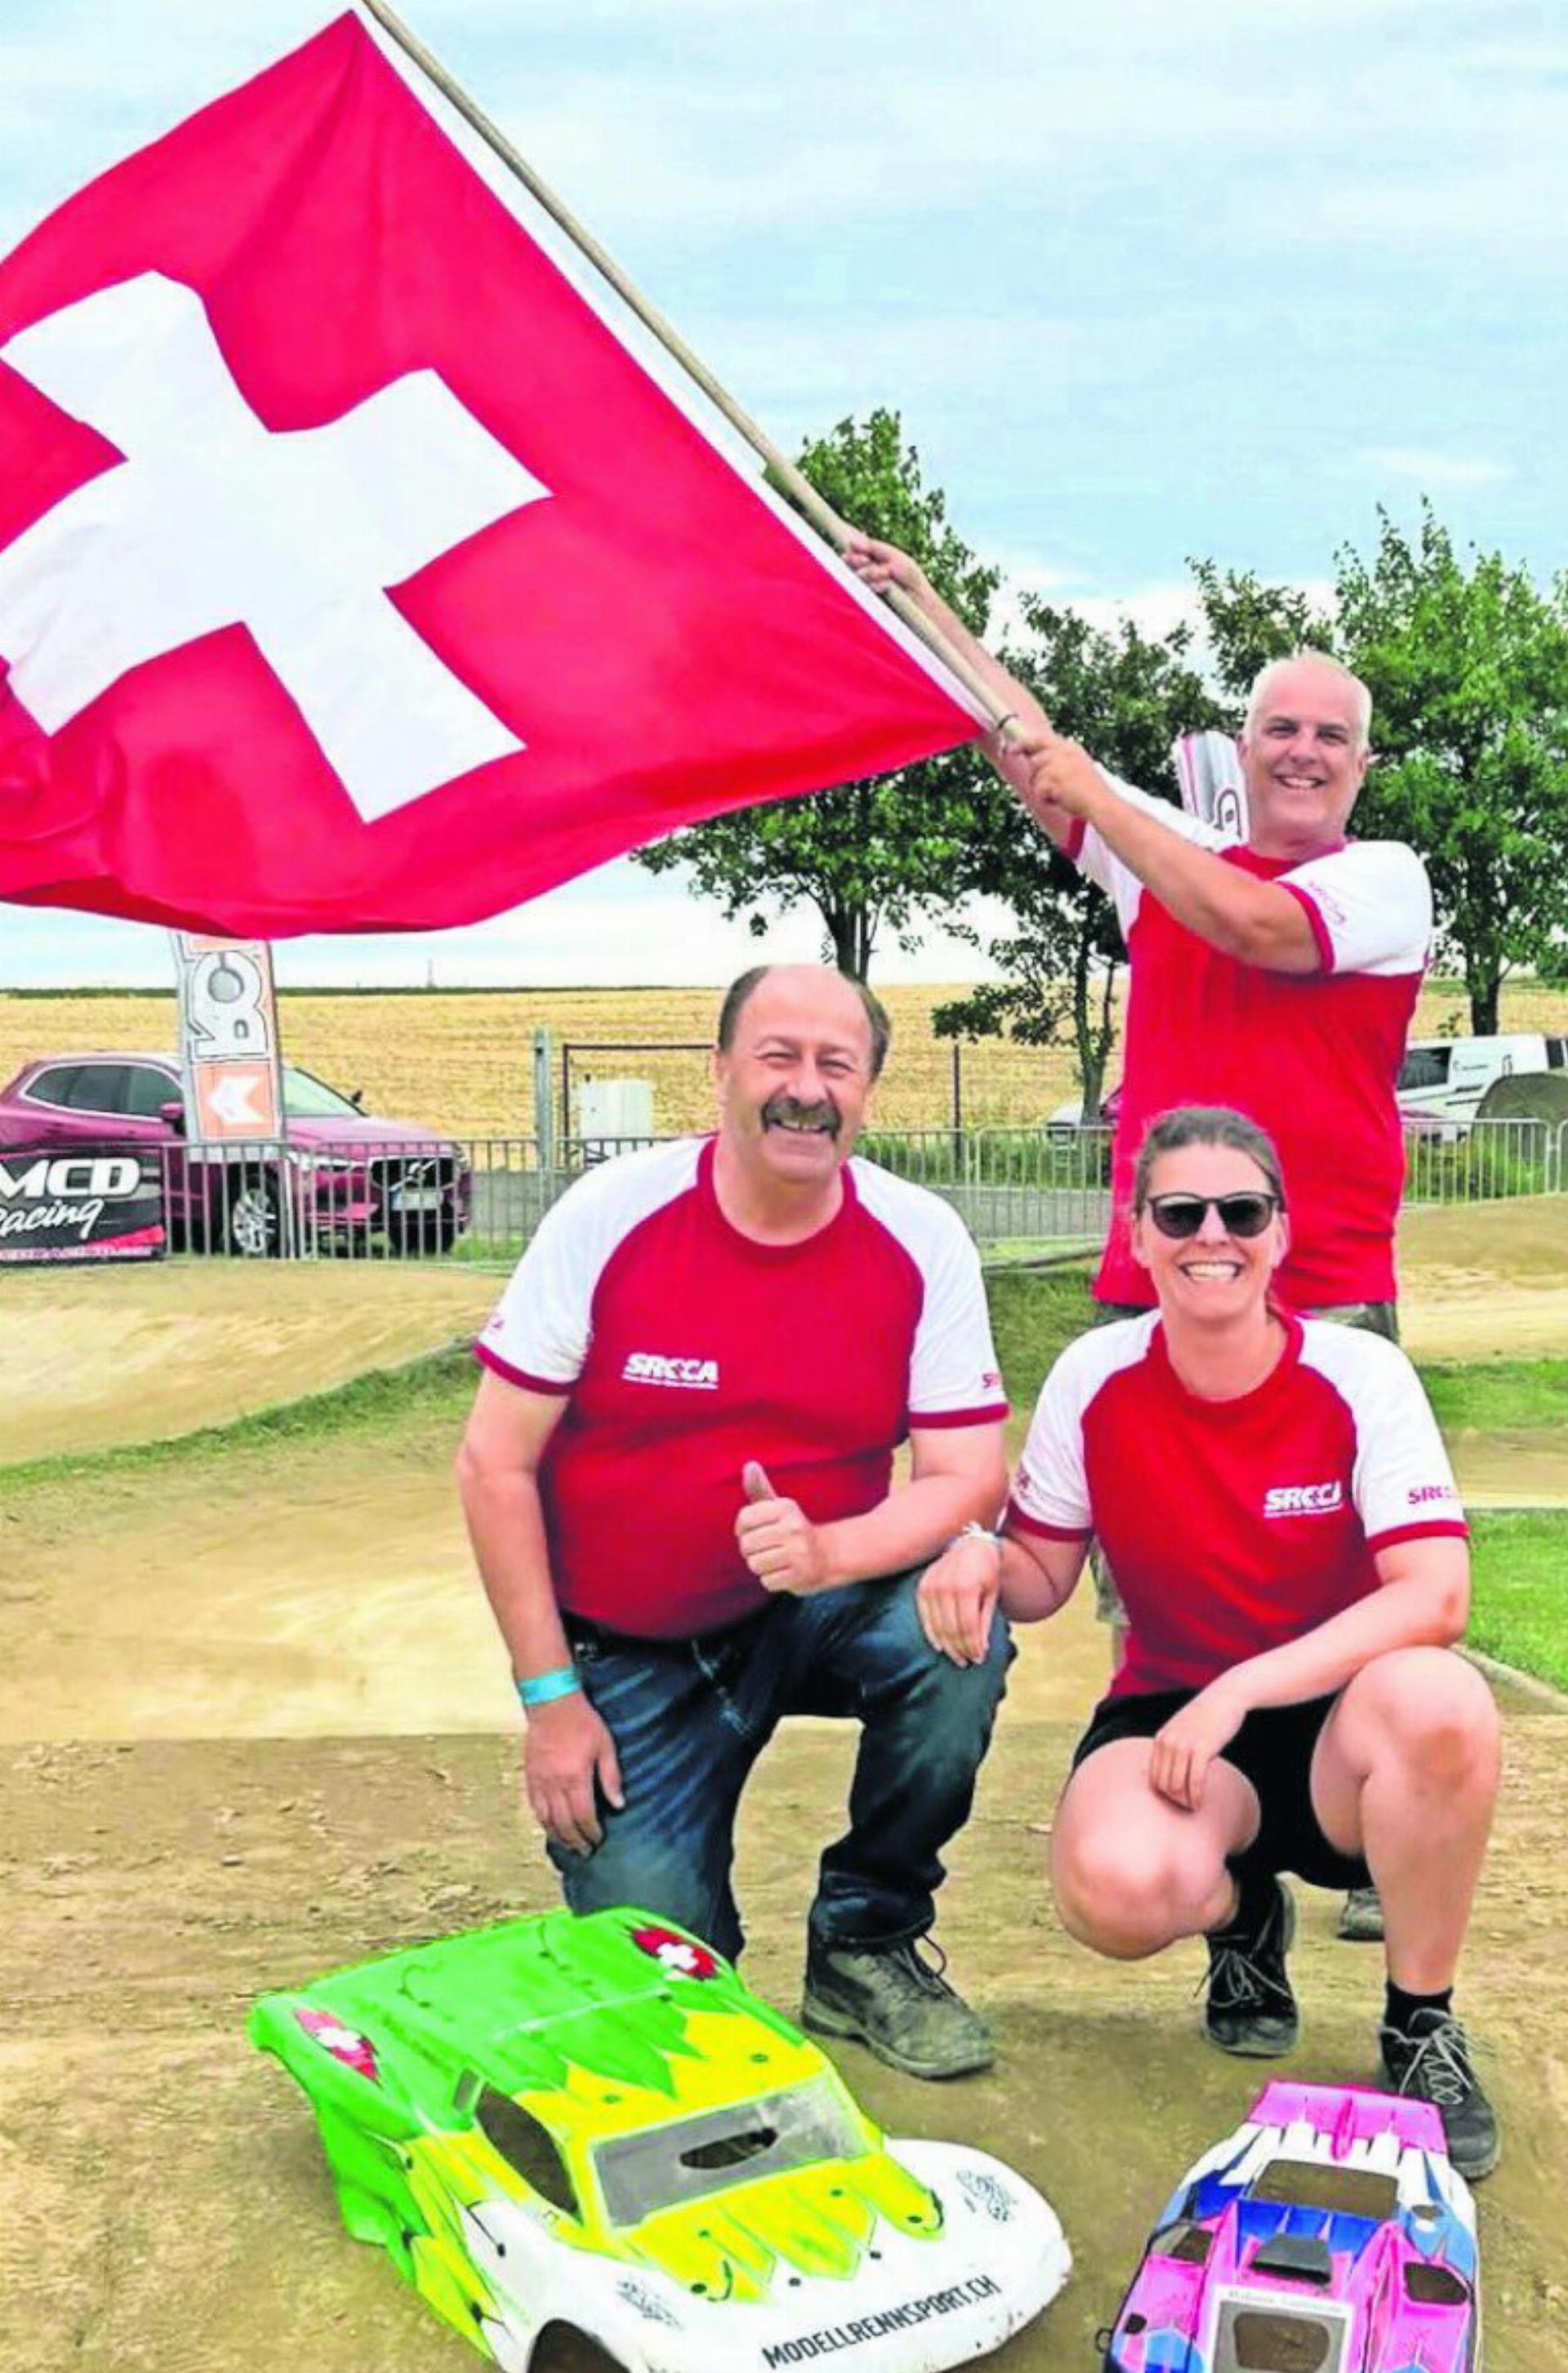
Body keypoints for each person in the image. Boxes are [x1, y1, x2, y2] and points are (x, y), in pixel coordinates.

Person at [848, 535, 1428, 1950]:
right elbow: (1026, 749)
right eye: (1280, 727)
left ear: (1360, 766)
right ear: (1246, 744)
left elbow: (1253, 920)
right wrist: (925, 609)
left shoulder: (1382, 880)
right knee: (1161, 1594)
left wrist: (1102, 799)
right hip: (1155, 1283)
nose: (1303, 752)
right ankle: (1231, 1891)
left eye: (1330, 736)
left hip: (1325, 1290)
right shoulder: (1157, 859)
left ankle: (1355, 1818)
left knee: (1354, 1577)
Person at [915, 1105, 1501, 2177]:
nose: (1213, 1235)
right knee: (1113, 1888)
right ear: (1137, 1235)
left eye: (1243, 1211)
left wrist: (1241, 1690)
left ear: (1282, 1233)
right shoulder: (1094, 1377)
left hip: (1342, 1728)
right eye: (1181, 1213)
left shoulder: (1360, 1374)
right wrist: (977, 1554)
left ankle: (1420, 2020)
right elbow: (1042, 1576)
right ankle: (1243, 1918)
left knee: (1444, 1698)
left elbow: (1436, 1595)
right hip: (1174, 1719)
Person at [457, 961, 1012, 2078]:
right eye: (778, 1057)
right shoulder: (612, 1215)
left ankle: (866, 1939)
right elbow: (492, 1463)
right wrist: (552, 1701)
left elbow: (966, 1472)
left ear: (868, 1090)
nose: (807, 1089)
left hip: (817, 1608)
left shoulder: (921, 1238)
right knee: (672, 1992)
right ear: (719, 1071)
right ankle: (692, 1940)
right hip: (632, 1648)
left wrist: (832, 1551)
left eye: (837, 1065)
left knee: (961, 1634)